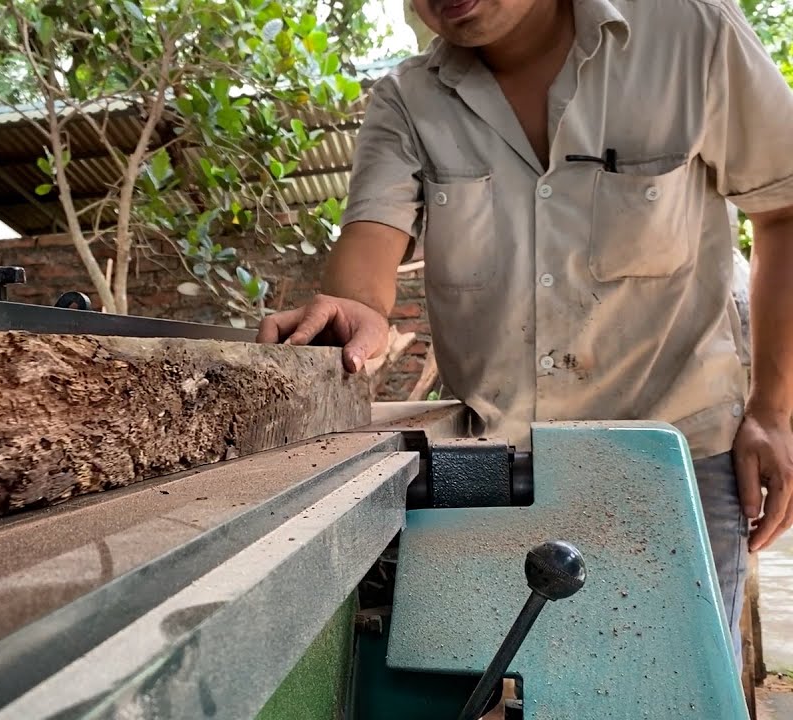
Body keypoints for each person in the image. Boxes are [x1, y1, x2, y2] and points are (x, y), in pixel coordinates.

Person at [257, 0, 793, 665]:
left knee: (670, 687)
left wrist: (773, 408)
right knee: (497, 689)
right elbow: (367, 257)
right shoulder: (408, 101)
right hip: (496, 472)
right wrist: (352, 312)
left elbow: (785, 210)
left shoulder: (693, 36)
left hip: (679, 460)